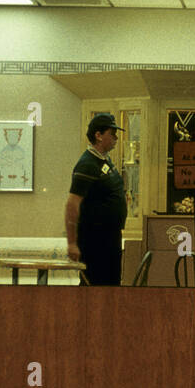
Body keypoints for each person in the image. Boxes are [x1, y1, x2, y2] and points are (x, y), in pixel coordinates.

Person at [65, 112, 127, 285]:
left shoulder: (104, 161)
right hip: (95, 241)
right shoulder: (87, 164)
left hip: (109, 238)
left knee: (110, 287)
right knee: (95, 290)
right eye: (112, 133)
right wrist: (72, 243)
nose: (116, 137)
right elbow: (72, 205)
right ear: (98, 135)